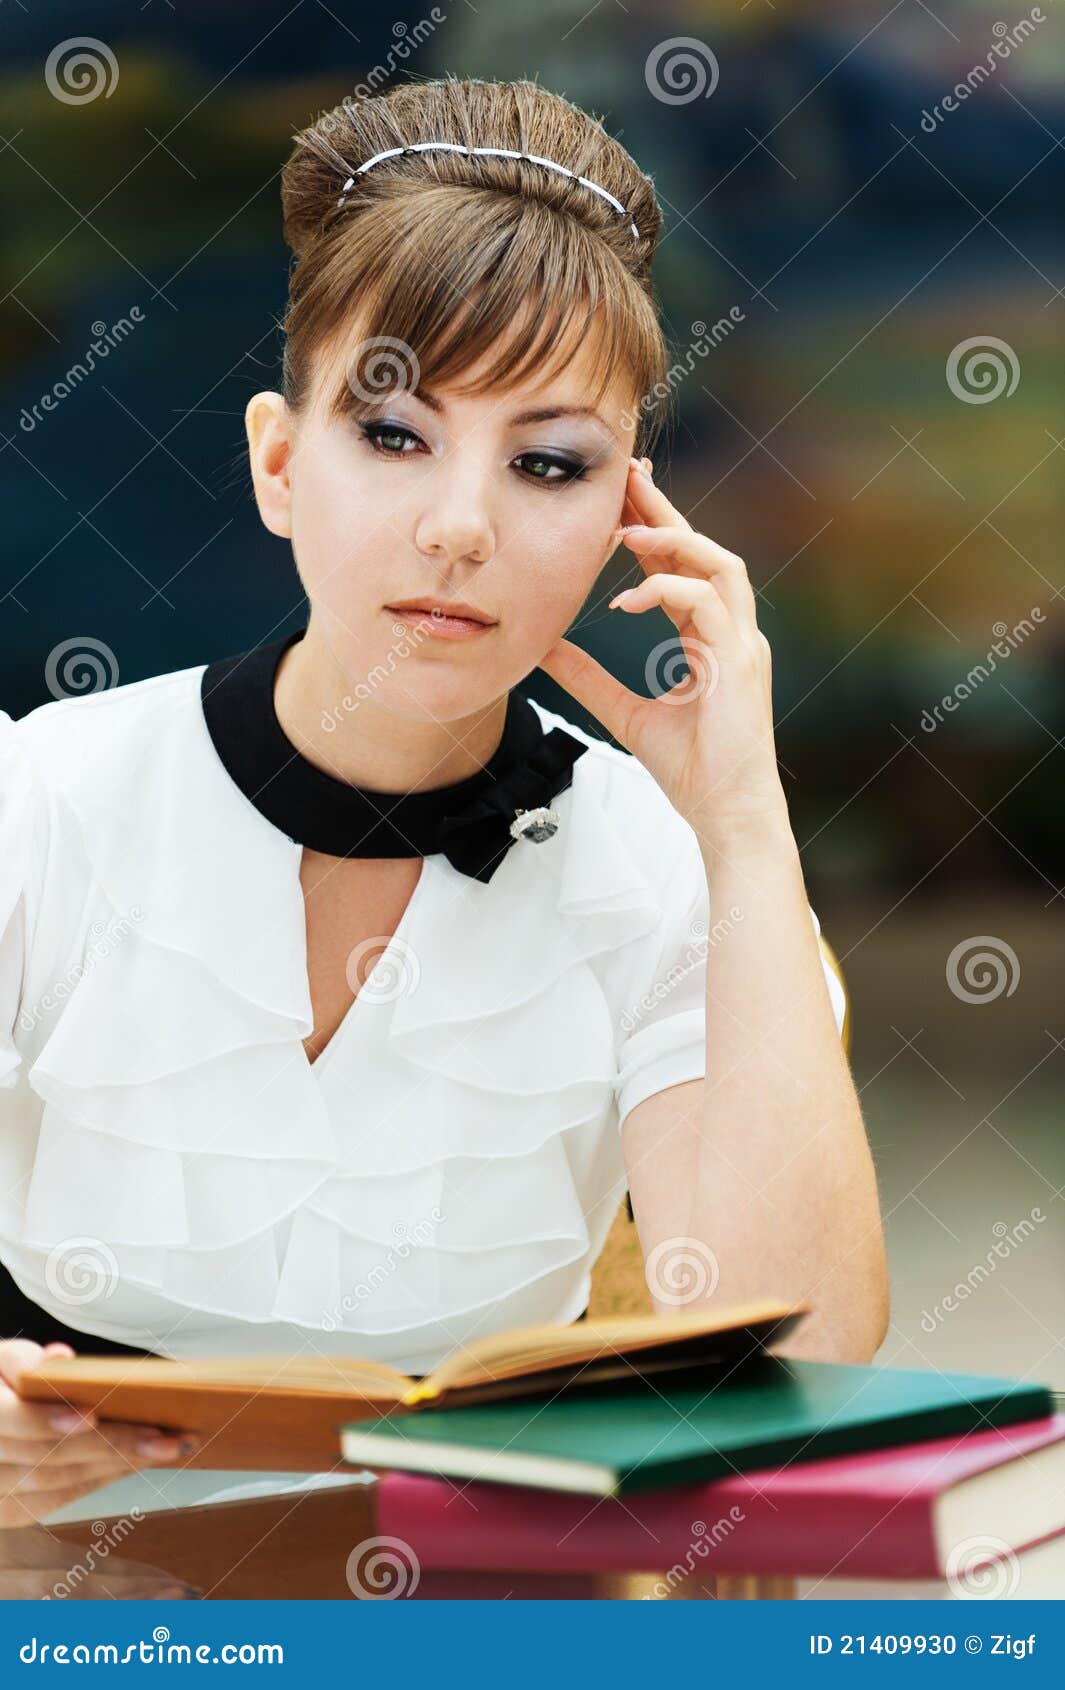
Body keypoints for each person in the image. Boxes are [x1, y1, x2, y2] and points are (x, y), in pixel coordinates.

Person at [0, 75, 889, 1528]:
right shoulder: (41, 799)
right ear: (281, 463)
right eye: (395, 434)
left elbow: (801, 1354)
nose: (461, 525)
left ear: (626, 519)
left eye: (546, 463)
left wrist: (740, 826)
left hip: (479, 1581)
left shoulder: (650, 869)